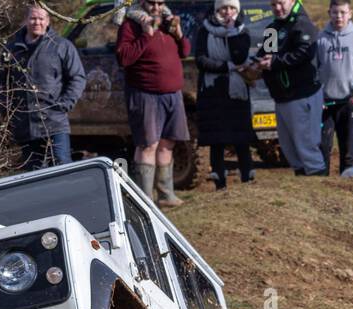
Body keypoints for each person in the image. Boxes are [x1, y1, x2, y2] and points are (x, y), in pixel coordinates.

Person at [117, 0, 192, 207]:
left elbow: (185, 51)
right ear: (143, 2)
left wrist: (178, 34)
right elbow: (123, 58)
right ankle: (145, 199)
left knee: (168, 142)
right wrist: (146, 35)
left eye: (160, 3)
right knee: (148, 144)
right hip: (145, 94)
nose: (156, 7)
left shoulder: (168, 22)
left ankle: (166, 194)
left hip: (172, 94)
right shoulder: (131, 25)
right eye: (152, 3)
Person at [0, 3, 87, 170]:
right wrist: (8, 112)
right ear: (25, 20)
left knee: (62, 168)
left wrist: (65, 104)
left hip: (55, 122)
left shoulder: (62, 46)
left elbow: (78, 78)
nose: (37, 22)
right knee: (34, 175)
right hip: (25, 125)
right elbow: (1, 84)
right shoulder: (11, 49)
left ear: (48, 21)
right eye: (33, 18)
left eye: (41, 18)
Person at [253, 0, 326, 176]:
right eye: (273, 4)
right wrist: (254, 64)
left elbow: (305, 52)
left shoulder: (302, 24)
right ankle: (300, 186)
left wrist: (274, 62)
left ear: (292, 1)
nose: (277, 8)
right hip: (280, 96)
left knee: (306, 145)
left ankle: (319, 187)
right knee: (289, 148)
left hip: (302, 94)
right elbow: (265, 53)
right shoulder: (272, 27)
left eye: (281, 3)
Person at [194, 0, 255, 190]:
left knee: (241, 136)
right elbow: (201, 59)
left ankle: (247, 176)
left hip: (236, 90)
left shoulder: (242, 31)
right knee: (216, 137)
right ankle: (219, 180)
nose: (227, 12)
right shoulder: (204, 30)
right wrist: (225, 66)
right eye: (223, 8)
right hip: (213, 90)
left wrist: (232, 32)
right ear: (216, 10)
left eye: (231, 8)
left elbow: (239, 56)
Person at [315, 1, 353, 176]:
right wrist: (317, 95)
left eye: (342, 12)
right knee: (323, 148)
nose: (338, 16)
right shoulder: (320, 39)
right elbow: (312, 71)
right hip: (325, 104)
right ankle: (322, 186)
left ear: (350, 13)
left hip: (349, 102)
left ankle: (347, 185)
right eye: (335, 13)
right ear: (329, 13)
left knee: (348, 151)